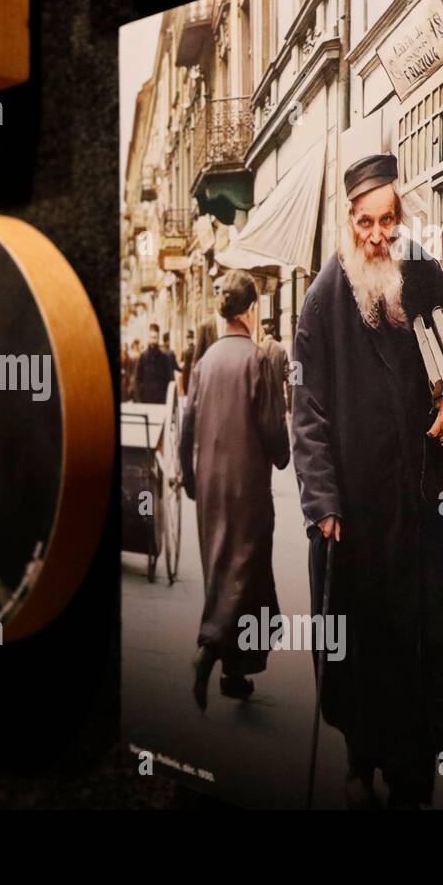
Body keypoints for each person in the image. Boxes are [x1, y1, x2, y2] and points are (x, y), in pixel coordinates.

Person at [291, 153, 443, 809]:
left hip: (411, 507)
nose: (377, 235)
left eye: (387, 221)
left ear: (398, 218)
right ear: (346, 221)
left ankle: (412, 776)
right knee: (358, 653)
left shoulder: (420, 281)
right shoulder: (325, 296)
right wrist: (320, 499)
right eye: (364, 223)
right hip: (351, 516)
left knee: (417, 643)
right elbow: (309, 410)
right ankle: (358, 758)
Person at [180, 270, 289, 705]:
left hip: (209, 487)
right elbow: (272, 428)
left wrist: (190, 480)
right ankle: (210, 647)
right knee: (246, 573)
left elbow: (186, 425)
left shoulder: (205, 363)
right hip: (247, 488)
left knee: (223, 570)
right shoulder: (256, 360)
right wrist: (282, 454)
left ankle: (234, 674)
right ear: (249, 309)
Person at [133, 323, 175, 404]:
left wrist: (166, 401)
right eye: (151, 337)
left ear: (158, 338)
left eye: (155, 338)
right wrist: (139, 400)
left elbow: (170, 380)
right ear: (148, 338)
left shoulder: (164, 358)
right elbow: (137, 379)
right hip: (145, 402)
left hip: (161, 403)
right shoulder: (143, 357)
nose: (153, 341)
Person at [259, 322, 291, 413]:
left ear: (264, 333)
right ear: (274, 333)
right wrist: (290, 404)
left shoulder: (257, 349)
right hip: (278, 402)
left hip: (262, 402)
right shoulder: (281, 348)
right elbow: (289, 377)